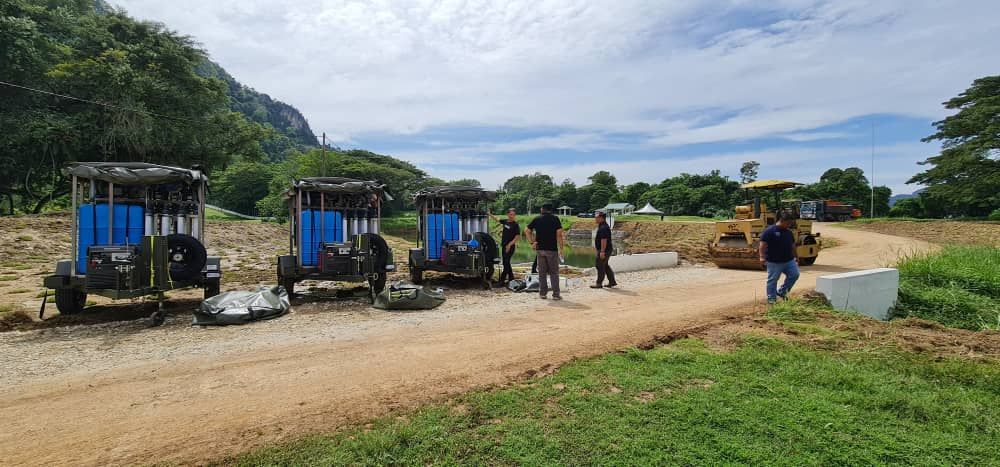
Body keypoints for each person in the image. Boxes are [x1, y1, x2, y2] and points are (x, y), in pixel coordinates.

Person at [525, 203, 564, 300]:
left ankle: (542, 293)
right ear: (550, 210)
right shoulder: (555, 219)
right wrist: (561, 249)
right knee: (554, 273)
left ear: (542, 209)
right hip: (552, 249)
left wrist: (532, 243)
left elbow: (527, 230)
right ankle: (556, 295)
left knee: (542, 273)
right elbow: (559, 234)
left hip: (540, 249)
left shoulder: (537, 218)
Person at [759, 212, 800, 304]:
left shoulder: (788, 232)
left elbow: (793, 245)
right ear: (782, 220)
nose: (789, 225)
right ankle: (771, 298)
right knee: (773, 280)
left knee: (794, 275)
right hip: (774, 261)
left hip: (789, 260)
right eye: (788, 223)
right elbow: (762, 245)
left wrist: (796, 256)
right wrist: (762, 257)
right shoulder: (769, 231)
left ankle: (782, 292)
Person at [488, 208, 520, 284]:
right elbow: (497, 219)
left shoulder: (515, 225)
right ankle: (511, 278)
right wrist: (489, 214)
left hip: (510, 247)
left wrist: (509, 245)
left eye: (513, 215)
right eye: (511, 214)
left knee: (506, 263)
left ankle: (502, 280)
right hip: (504, 246)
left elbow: (517, 237)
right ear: (508, 214)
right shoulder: (505, 222)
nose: (512, 216)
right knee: (506, 263)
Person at [590, 211, 617, 288]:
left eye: (596, 217)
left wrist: (602, 251)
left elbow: (604, 240)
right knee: (605, 265)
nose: (595, 219)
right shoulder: (602, 226)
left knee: (599, 265)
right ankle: (612, 282)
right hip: (606, 249)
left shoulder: (603, 227)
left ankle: (599, 283)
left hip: (604, 250)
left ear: (601, 218)